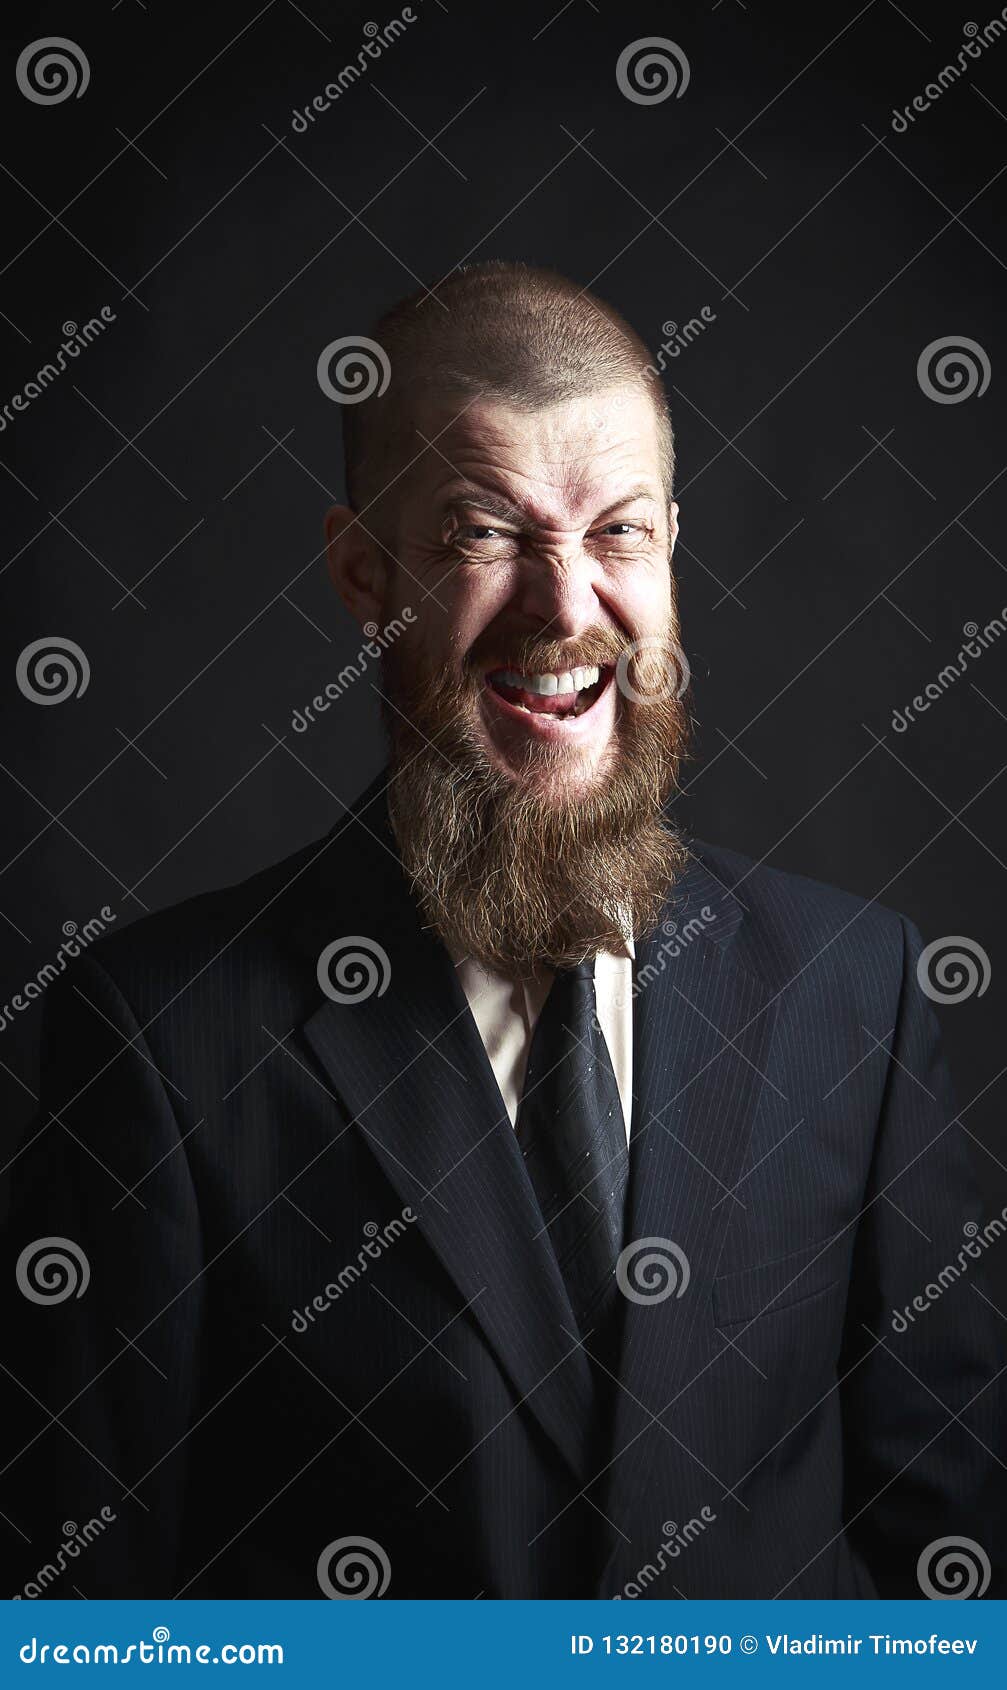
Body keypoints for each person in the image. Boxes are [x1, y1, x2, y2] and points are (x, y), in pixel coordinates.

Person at [2, 263, 1002, 1600]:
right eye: (485, 531)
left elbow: (958, 1566)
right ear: (364, 570)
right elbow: (80, 1613)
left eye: (619, 533)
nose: (565, 603)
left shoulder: (859, 995)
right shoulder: (167, 1041)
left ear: (671, 548)